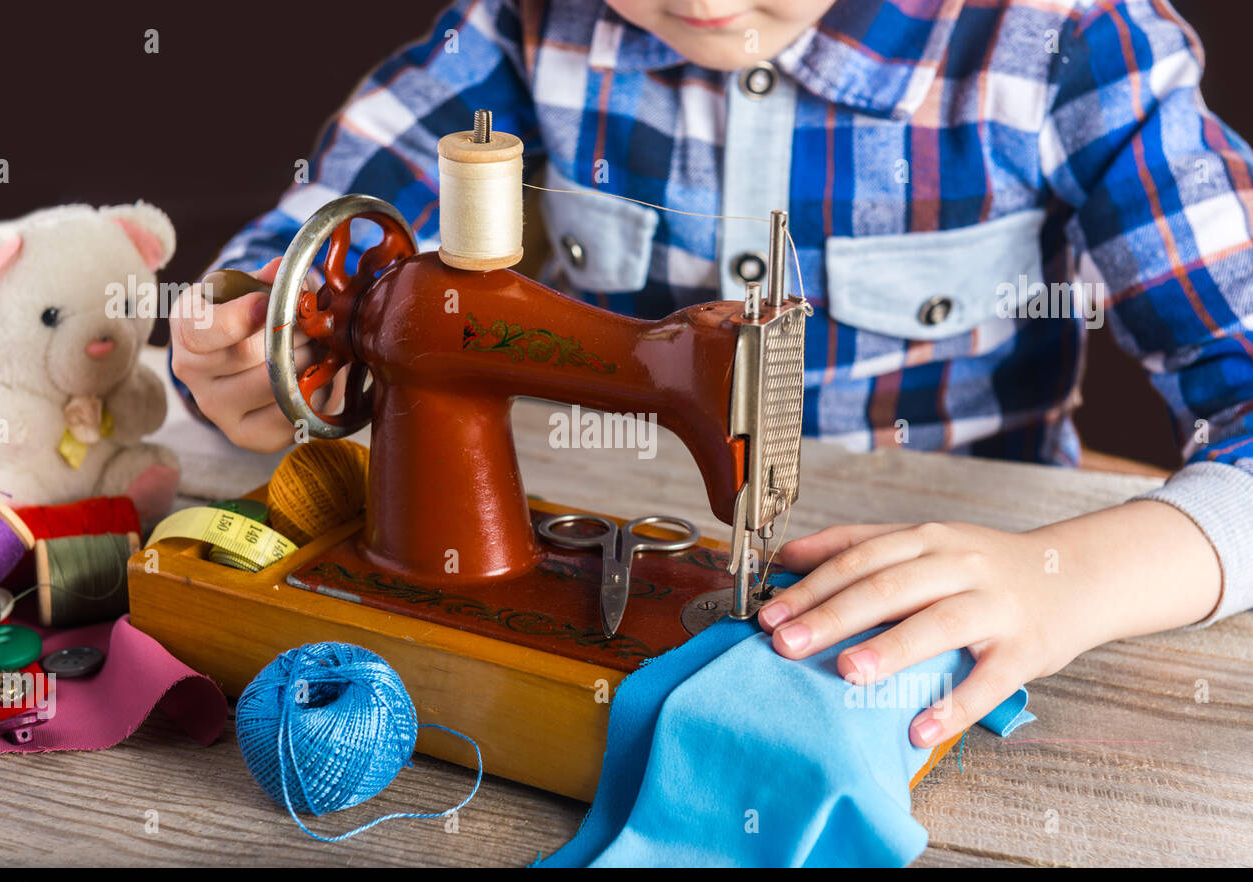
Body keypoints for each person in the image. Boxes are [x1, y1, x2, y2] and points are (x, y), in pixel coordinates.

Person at [168, 0, 1253, 749]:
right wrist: (254, 348)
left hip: (985, 599)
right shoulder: (522, 28)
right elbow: (307, 254)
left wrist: (1067, 579)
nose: (701, 0)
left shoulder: (1071, 46)